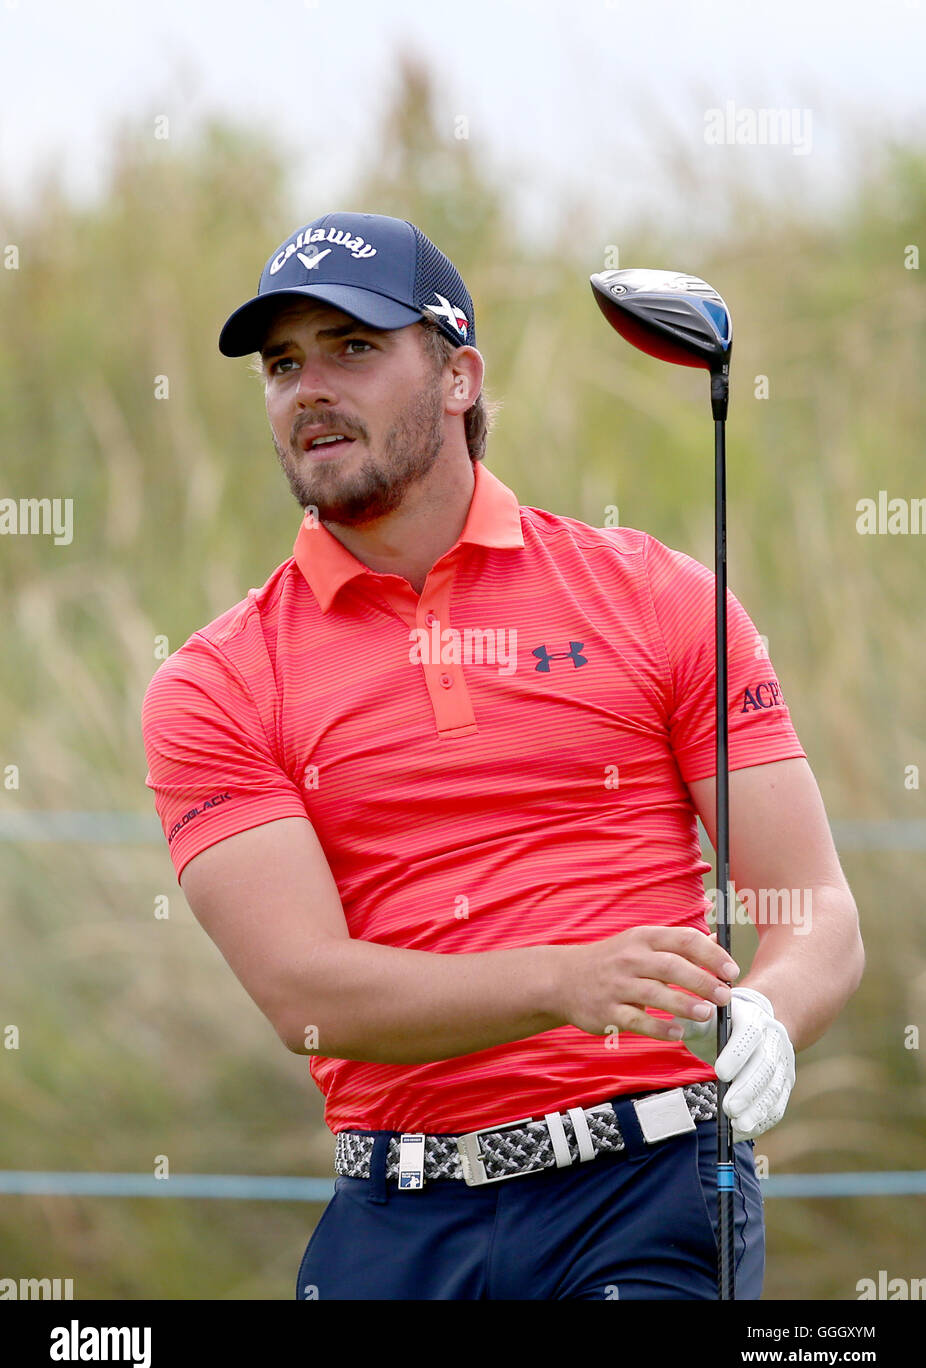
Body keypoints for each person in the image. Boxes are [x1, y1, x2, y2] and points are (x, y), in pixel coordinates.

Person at [141, 211, 864, 1300]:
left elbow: (813, 910)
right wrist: (565, 979)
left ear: (457, 375)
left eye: (353, 346)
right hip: (395, 1217)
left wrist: (770, 1009)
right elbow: (305, 994)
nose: (308, 388)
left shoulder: (655, 598)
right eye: (283, 364)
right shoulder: (217, 681)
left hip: (647, 1193)